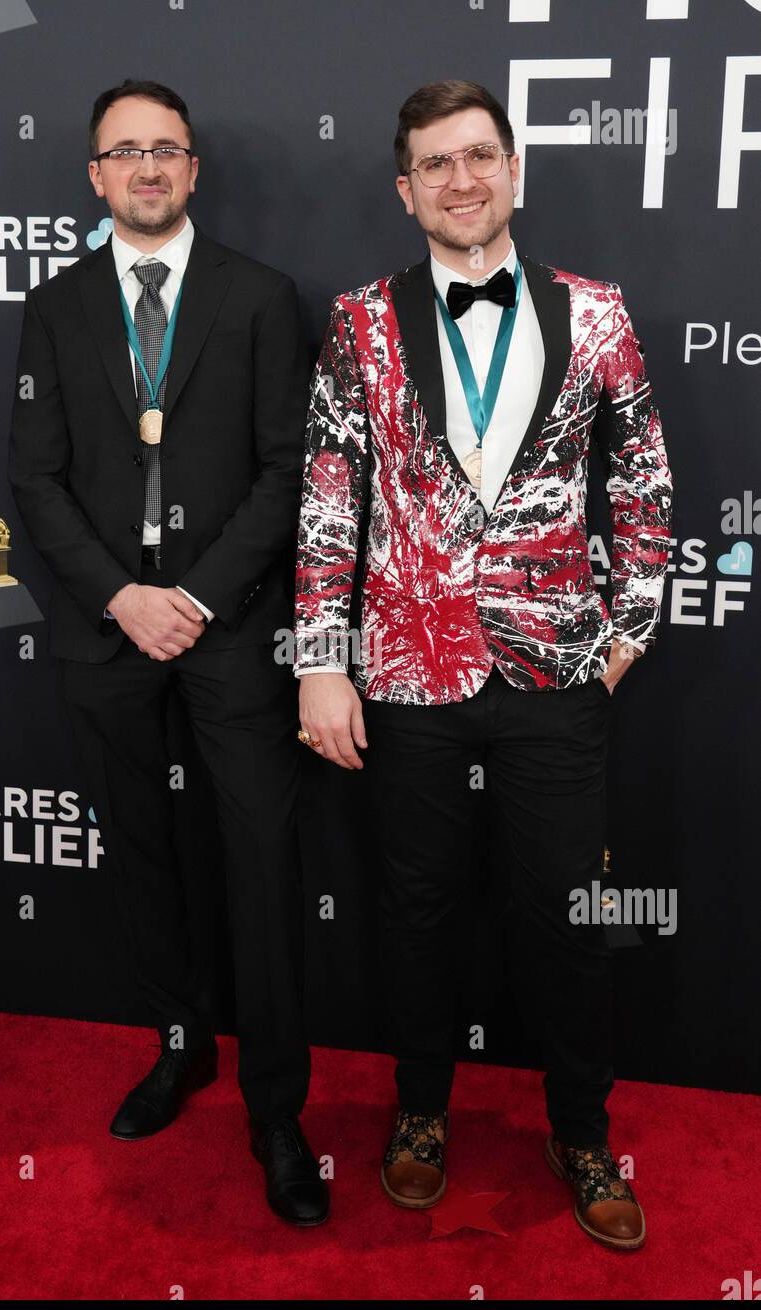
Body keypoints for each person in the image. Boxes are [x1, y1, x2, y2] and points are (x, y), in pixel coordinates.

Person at [292, 79, 672, 1250]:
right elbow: (327, 502)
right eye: (434, 165)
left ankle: (580, 1126)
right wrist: (319, 661)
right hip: (406, 673)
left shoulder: (598, 315)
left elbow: (644, 488)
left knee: (568, 916)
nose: (460, 180)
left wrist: (620, 640)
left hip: (557, 672)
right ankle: (418, 1112)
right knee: (413, 912)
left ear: (514, 171)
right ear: (404, 190)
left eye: (478, 157)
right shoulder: (358, 321)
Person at [8, 78, 327, 1227]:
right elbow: (33, 478)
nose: (146, 169)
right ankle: (178, 1045)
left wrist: (188, 593)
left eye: (166, 150)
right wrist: (120, 600)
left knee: (260, 864)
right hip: (108, 635)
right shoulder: (54, 306)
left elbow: (288, 468)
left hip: (229, 628)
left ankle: (276, 1109)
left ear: (194, 170)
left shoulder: (261, 299)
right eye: (123, 152)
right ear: (93, 175)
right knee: (143, 857)